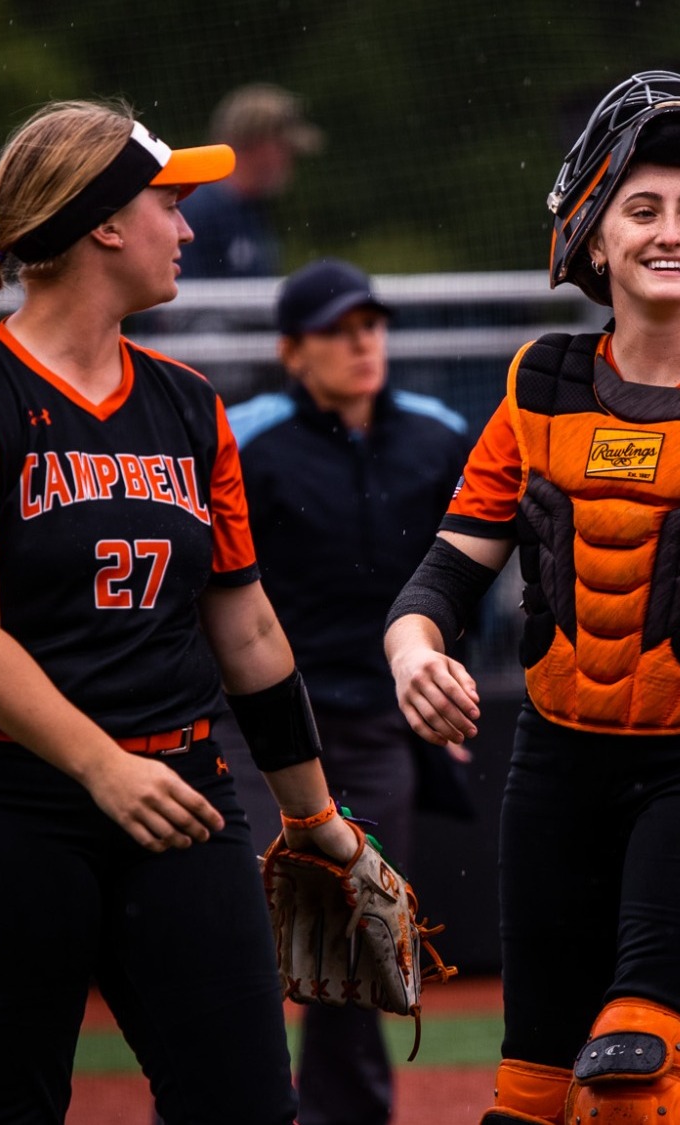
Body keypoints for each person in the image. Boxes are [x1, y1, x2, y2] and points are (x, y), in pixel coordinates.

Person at [0, 99, 357, 1124]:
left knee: (248, 1106)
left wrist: (313, 818)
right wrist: (100, 766)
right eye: (170, 205)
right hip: (2, 802)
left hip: (180, 795)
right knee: (13, 1107)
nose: (187, 229)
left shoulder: (187, 404)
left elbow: (248, 631)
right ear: (102, 223)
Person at [382, 71, 680, 1125]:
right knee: (526, 1093)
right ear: (591, 239)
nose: (671, 232)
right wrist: (413, 650)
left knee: (631, 1083)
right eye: (641, 209)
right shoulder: (540, 382)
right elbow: (442, 576)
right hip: (557, 763)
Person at [225, 256, 472, 1125]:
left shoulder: (437, 435)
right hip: (260, 728)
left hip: (375, 722)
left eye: (370, 324)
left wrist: (441, 684)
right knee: (251, 933)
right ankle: (229, 1103)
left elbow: (465, 577)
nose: (362, 342)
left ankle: (348, 1118)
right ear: (294, 352)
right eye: (337, 329)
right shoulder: (250, 442)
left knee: (363, 936)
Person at [181, 83, 324, 279]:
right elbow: (180, 301)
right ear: (258, 142)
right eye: (285, 147)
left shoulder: (251, 209)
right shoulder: (197, 209)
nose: (291, 160)